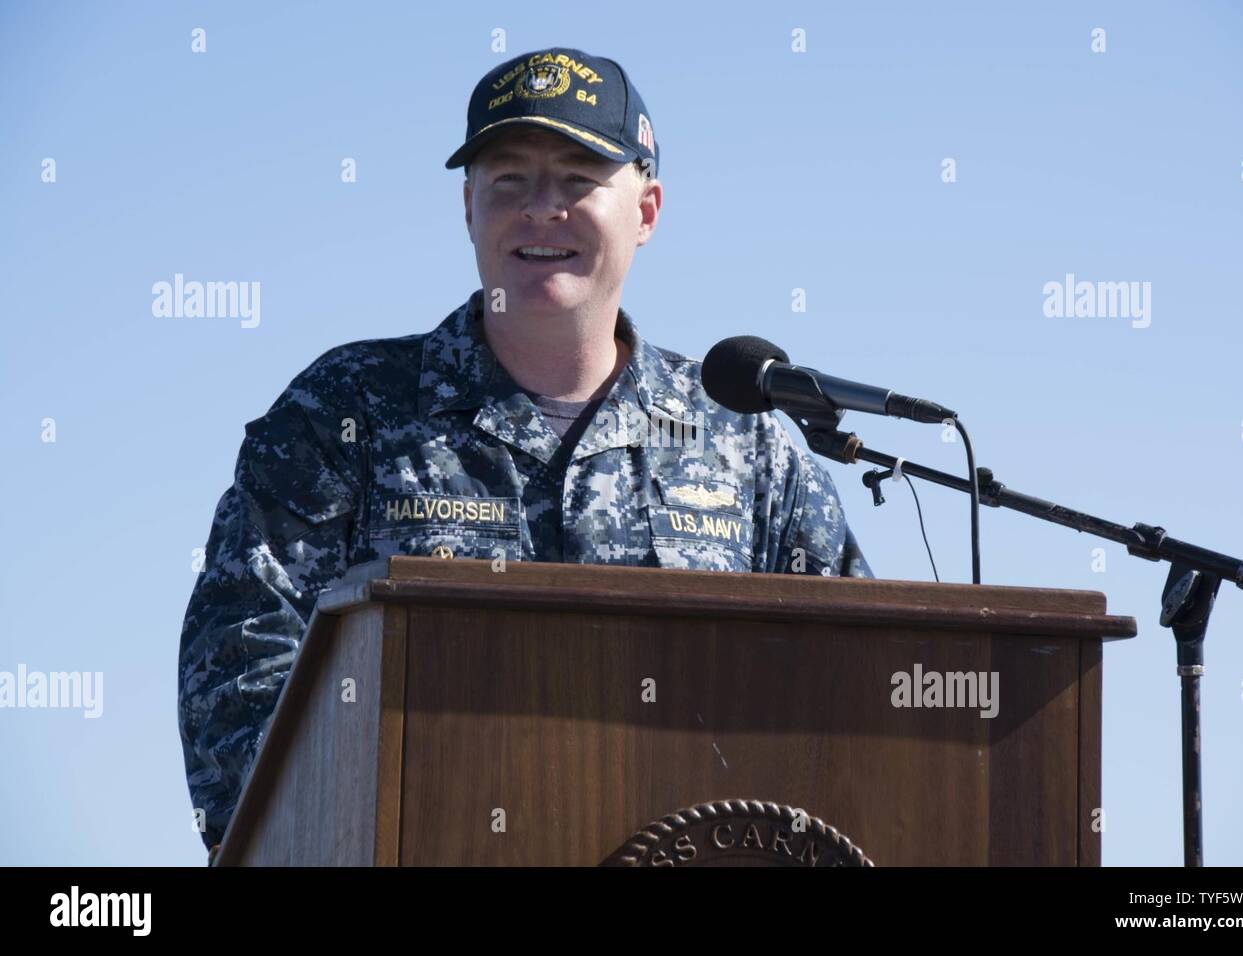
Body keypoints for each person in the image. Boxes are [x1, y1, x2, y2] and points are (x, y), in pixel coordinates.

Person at [177, 46, 872, 865]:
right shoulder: (346, 411)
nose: (542, 209)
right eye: (508, 179)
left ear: (646, 211)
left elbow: (851, 690)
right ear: (468, 206)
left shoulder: (740, 436)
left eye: (579, 179)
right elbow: (241, 658)